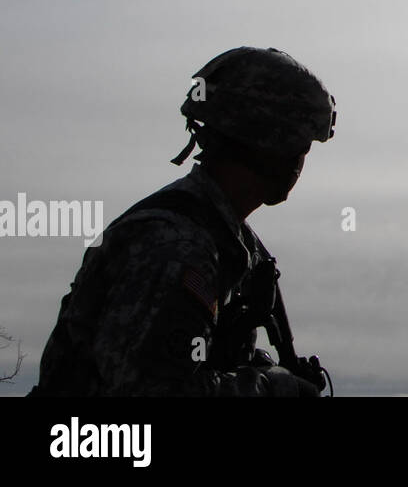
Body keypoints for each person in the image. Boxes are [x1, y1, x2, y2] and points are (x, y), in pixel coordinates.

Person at [30, 46, 336, 396]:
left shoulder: (228, 242)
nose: (300, 162)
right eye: (301, 146)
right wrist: (270, 389)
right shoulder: (175, 247)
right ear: (268, 141)